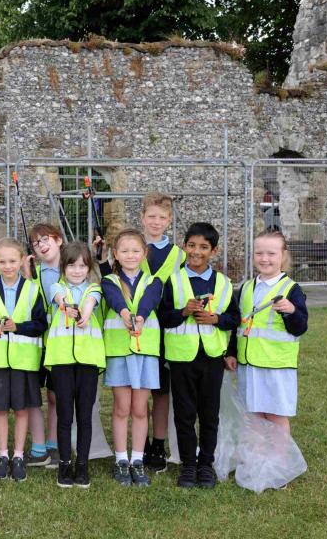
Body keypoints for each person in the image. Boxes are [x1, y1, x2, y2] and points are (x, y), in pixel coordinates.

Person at [158, 222, 240, 489]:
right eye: (192, 246)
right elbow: (163, 319)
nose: (196, 252)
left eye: (203, 247)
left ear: (213, 251)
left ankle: (206, 464)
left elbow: (234, 318)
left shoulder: (224, 284)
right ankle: (188, 466)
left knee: (209, 414)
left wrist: (216, 318)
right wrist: (183, 311)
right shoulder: (174, 281)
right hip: (182, 358)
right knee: (184, 414)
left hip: (212, 358)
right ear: (184, 247)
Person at [0, 238, 48, 482]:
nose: (7, 266)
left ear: (21, 261)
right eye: (2, 261)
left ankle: (18, 454)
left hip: (23, 361)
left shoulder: (32, 289)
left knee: (20, 409)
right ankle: (3, 454)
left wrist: (18, 327)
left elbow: (40, 324)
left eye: (12, 261)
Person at [227, 229, 308, 434]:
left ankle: (279, 463)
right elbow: (241, 325)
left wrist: (291, 311)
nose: (265, 259)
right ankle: (258, 462)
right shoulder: (246, 288)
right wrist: (232, 352)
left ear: (283, 256)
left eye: (271, 254)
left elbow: (300, 327)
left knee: (275, 415)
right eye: (259, 253)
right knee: (252, 414)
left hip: (276, 365)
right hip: (249, 365)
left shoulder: (291, 289)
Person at [101, 228, 163, 487]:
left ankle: (137, 459)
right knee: (121, 408)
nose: (130, 255)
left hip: (145, 352)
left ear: (144, 253)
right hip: (119, 351)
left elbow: (149, 301)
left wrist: (140, 318)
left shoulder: (154, 281)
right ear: (115, 254)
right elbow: (115, 299)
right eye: (124, 251)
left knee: (140, 409)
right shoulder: (110, 280)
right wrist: (126, 314)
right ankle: (121, 459)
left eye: (135, 250)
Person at [46, 242, 105, 488]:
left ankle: (82, 464)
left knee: (84, 415)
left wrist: (86, 312)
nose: (77, 271)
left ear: (89, 268)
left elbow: (91, 301)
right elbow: (59, 296)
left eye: (82, 266)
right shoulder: (57, 287)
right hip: (62, 361)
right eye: (72, 265)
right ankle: (64, 465)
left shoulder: (94, 288)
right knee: (64, 415)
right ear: (63, 267)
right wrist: (65, 306)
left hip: (88, 361)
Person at [138, 192, 186, 473]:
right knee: (138, 390)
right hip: (136, 331)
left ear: (169, 221)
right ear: (142, 217)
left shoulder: (178, 255)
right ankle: (140, 442)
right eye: (151, 216)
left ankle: (158, 443)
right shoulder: (130, 247)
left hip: (165, 330)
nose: (156, 222)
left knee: (160, 391)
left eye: (162, 217)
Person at [22, 223, 64, 467]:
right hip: (37, 341)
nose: (42, 246)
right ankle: (39, 447)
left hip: (60, 342)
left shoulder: (71, 268)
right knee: (33, 395)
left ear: (58, 240)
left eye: (45, 239)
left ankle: (54, 443)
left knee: (56, 395)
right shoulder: (34, 273)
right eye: (36, 243)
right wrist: (28, 277)